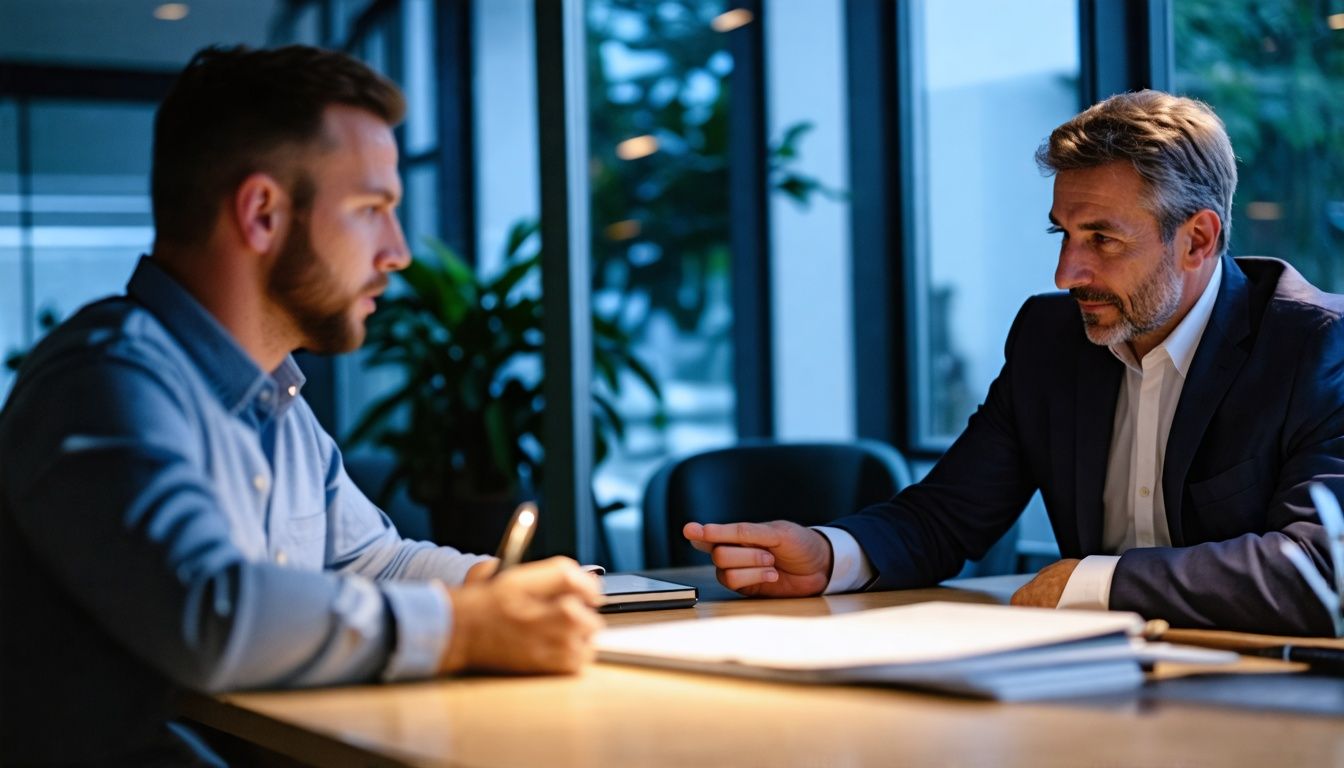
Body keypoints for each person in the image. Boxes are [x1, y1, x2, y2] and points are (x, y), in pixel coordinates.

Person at [0, 45, 602, 766]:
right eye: (372, 209)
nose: (399, 252)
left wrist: (499, 589)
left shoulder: (275, 401)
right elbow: (211, 613)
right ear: (261, 214)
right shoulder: (102, 379)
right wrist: (464, 627)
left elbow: (369, 560)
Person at [685, 90, 1343, 637]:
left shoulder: (1314, 348)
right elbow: (946, 514)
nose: (1066, 274)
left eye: (1102, 240)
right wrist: (829, 556)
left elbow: (1320, 567)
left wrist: (1092, 581)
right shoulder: (1050, 339)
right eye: (1063, 233)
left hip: (1269, 702)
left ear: (1197, 239)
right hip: (1094, 685)